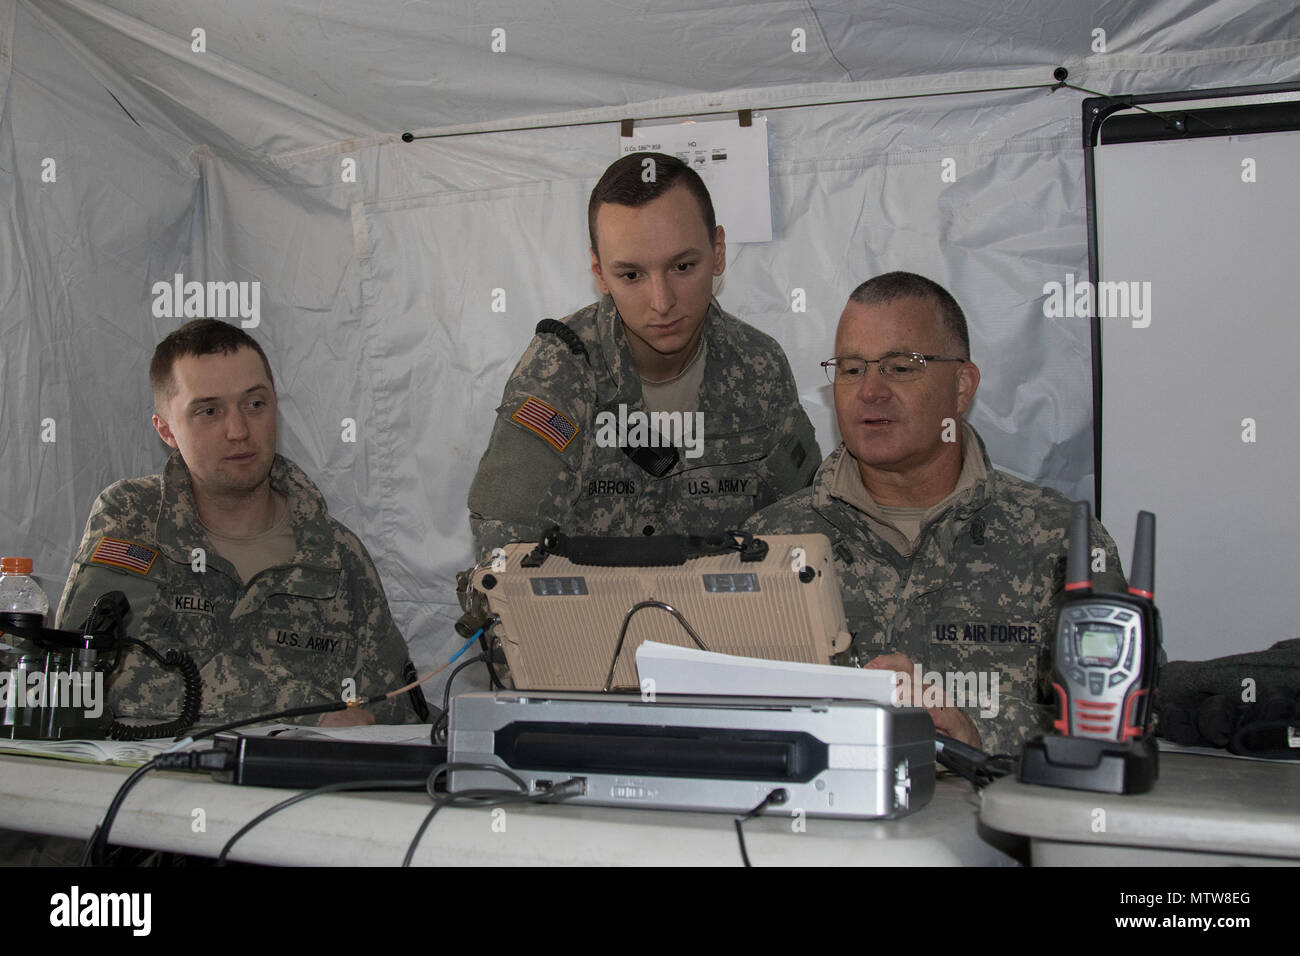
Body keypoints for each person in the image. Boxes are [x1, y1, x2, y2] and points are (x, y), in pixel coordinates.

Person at [744, 272, 1125, 753]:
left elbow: (1115, 719)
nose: (870, 391)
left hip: (992, 823)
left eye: (901, 367)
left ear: (962, 387)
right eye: (852, 368)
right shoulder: (769, 545)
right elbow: (722, 711)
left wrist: (976, 732)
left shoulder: (1059, 544)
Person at [56, 319, 427, 727]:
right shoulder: (134, 517)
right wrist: (305, 712)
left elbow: (393, 714)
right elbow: (93, 671)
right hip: (157, 785)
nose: (239, 431)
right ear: (166, 430)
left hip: (297, 789)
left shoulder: (336, 555)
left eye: (254, 404)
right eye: (209, 411)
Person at [467, 152, 820, 554]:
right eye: (631, 275)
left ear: (718, 252)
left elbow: (802, 523)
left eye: (682, 266)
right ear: (599, 274)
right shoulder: (561, 368)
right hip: (588, 614)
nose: (662, 301)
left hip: (724, 612)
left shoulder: (759, 367)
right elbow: (504, 545)